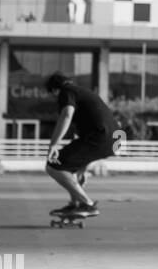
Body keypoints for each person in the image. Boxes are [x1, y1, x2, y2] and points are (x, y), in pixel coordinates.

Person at [44, 72, 121, 218]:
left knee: (53, 166)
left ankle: (88, 205)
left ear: (54, 89)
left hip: (101, 137)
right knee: (73, 170)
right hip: (116, 138)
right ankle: (76, 205)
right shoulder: (83, 92)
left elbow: (66, 115)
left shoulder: (66, 92)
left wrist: (54, 144)